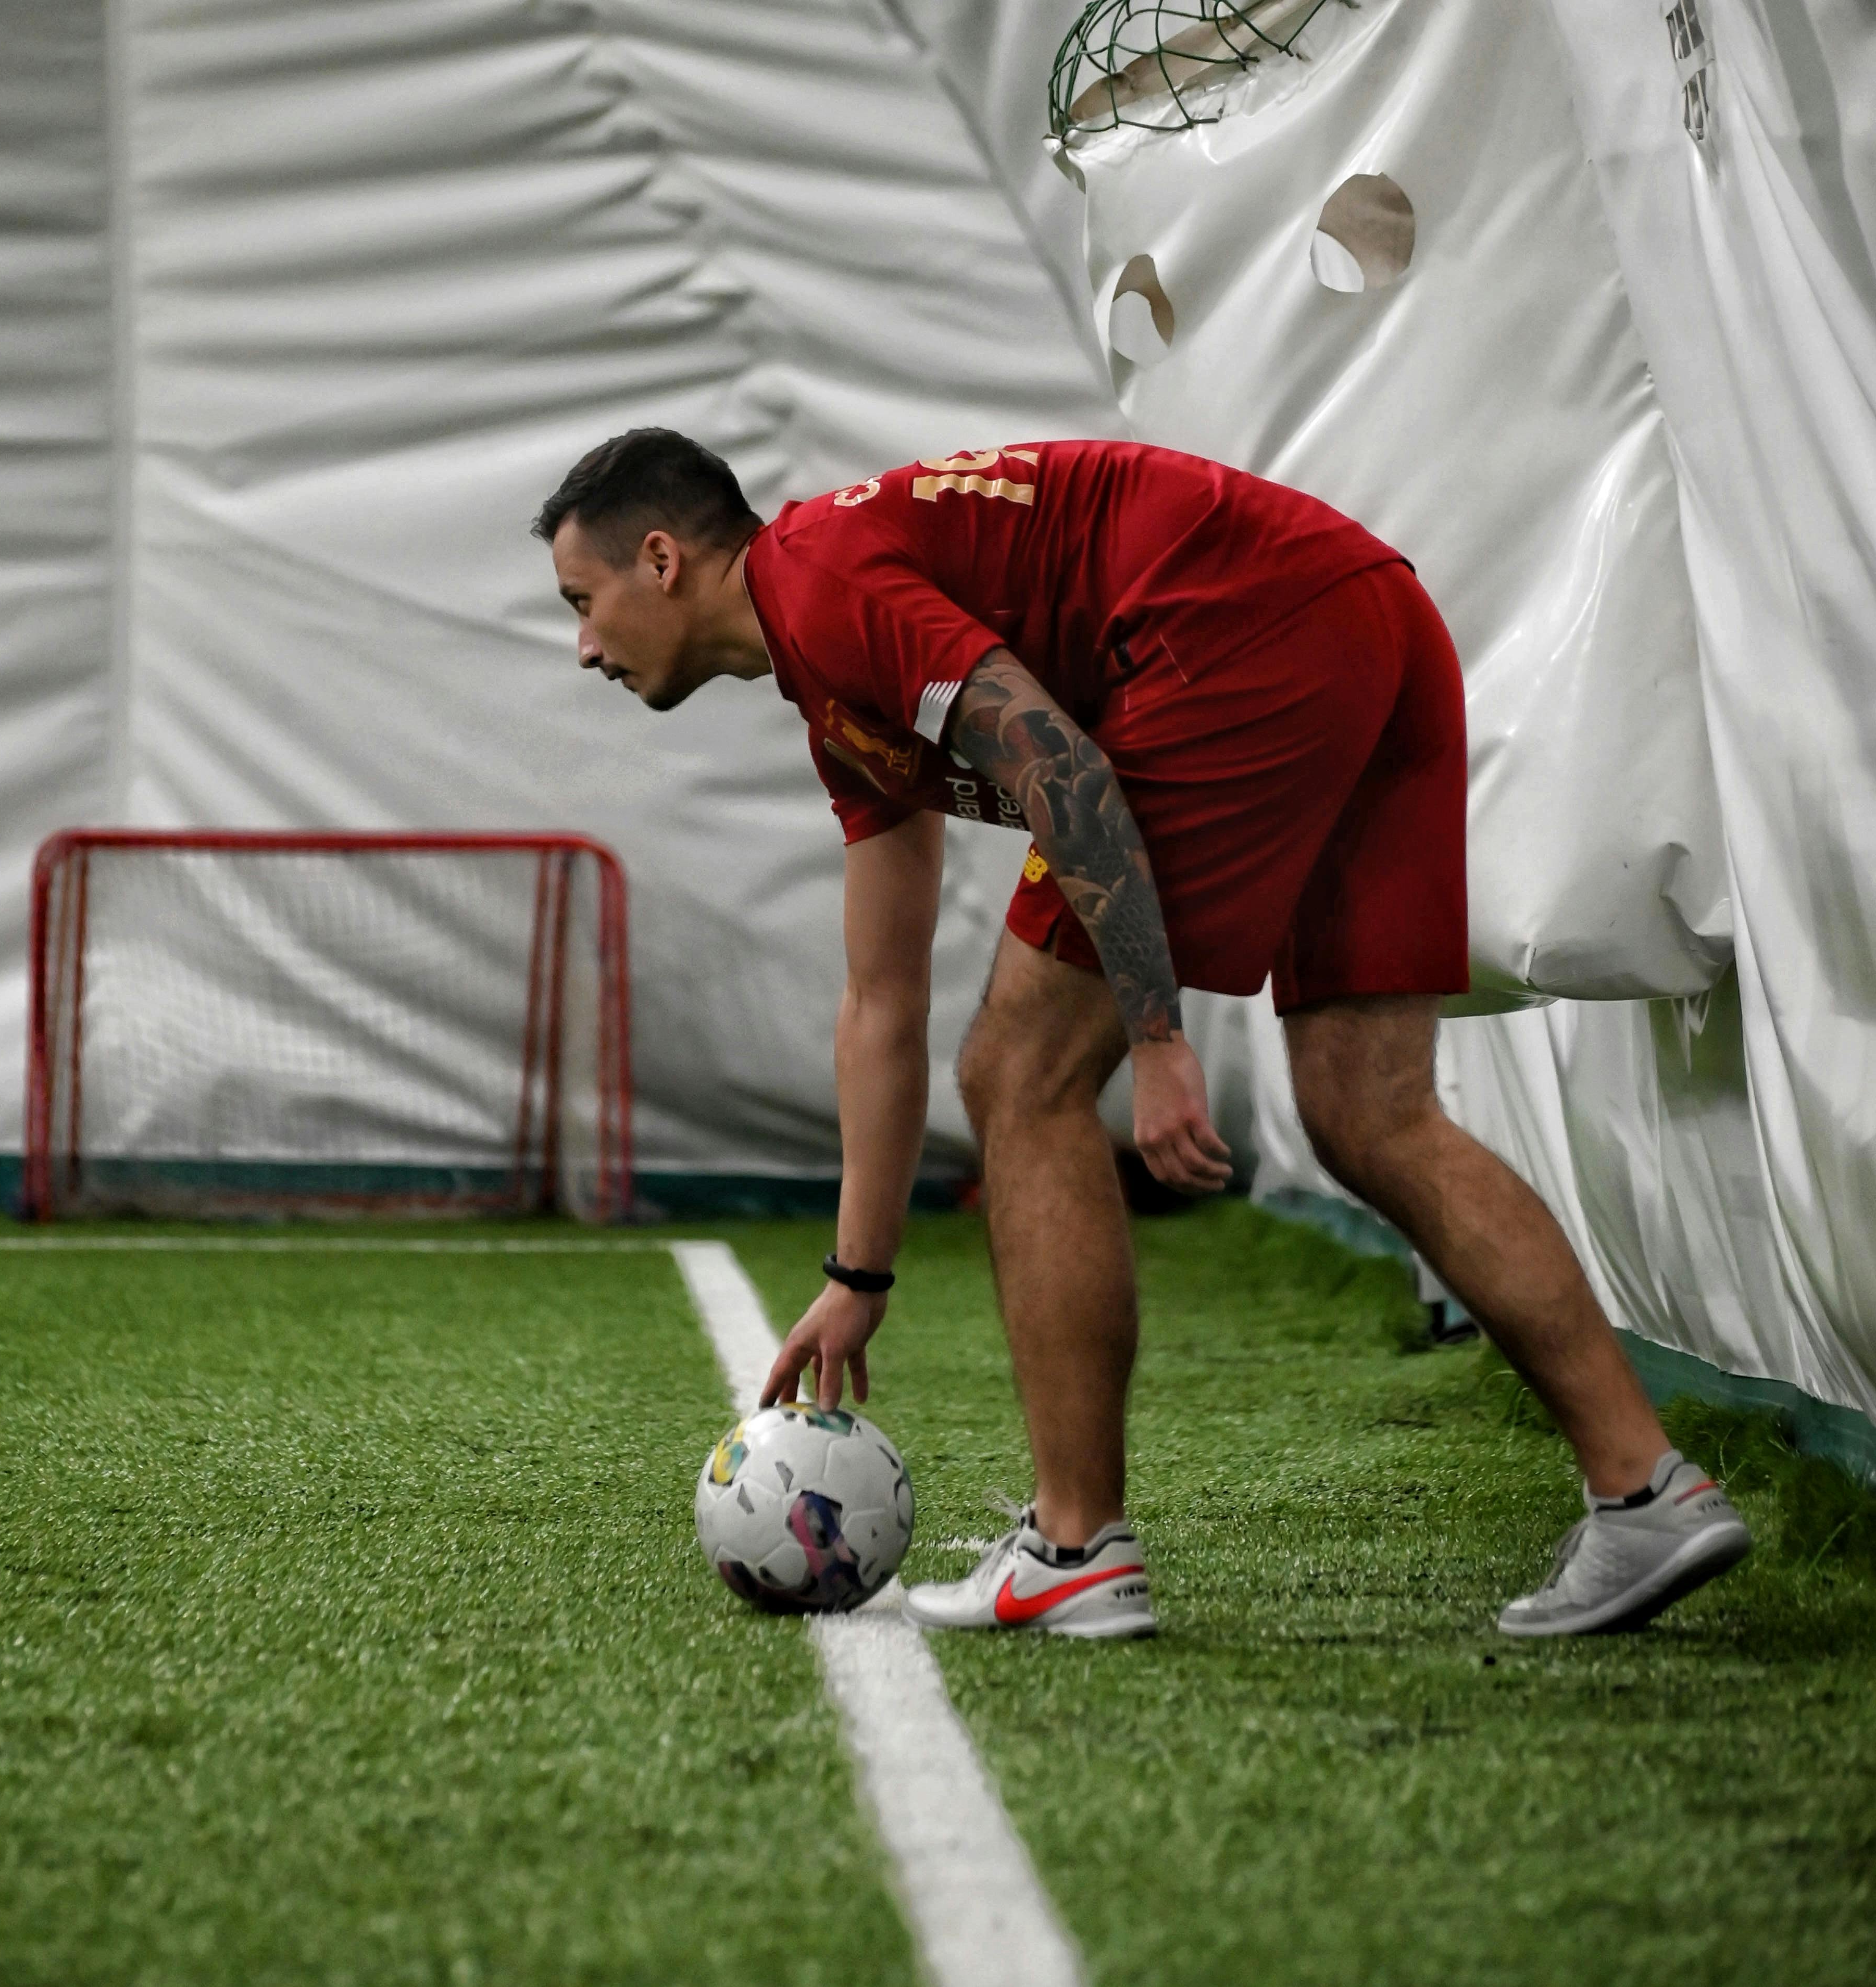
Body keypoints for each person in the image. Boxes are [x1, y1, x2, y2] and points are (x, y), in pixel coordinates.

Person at [535, 425, 1751, 1643]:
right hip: (1366, 613)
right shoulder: (836, 697)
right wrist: (857, 1276)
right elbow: (879, 1001)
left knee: (1020, 1071)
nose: (582, 645)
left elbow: (1061, 765)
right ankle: (1645, 1487)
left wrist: (1157, 1032)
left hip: (1239, 626)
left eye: (583, 604)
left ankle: (1073, 1543)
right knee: (1368, 1111)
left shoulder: (822, 581)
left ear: (662, 560)